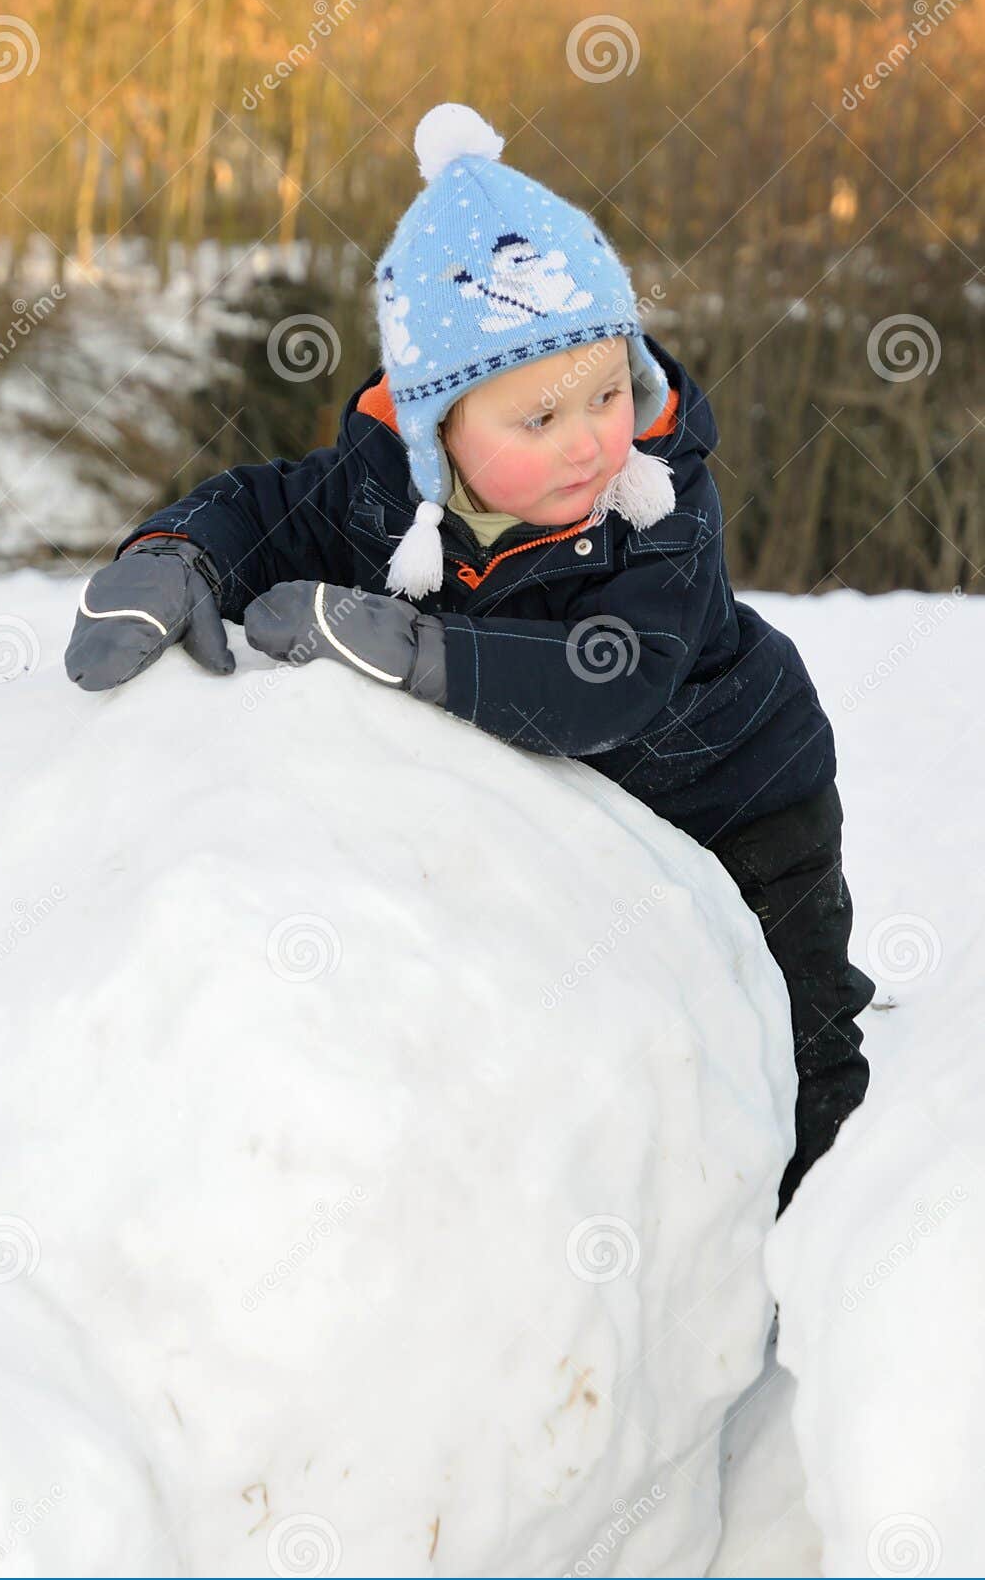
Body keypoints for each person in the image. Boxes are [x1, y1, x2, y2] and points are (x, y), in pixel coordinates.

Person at [64, 103, 875, 1215]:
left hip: (734, 792)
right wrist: (176, 555)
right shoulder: (376, 491)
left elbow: (613, 679)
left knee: (802, 1039)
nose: (592, 438)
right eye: (538, 419)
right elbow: (262, 508)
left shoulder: (657, 506)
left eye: (606, 392)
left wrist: (419, 654)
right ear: (433, 432)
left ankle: (838, 1240)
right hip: (572, 835)